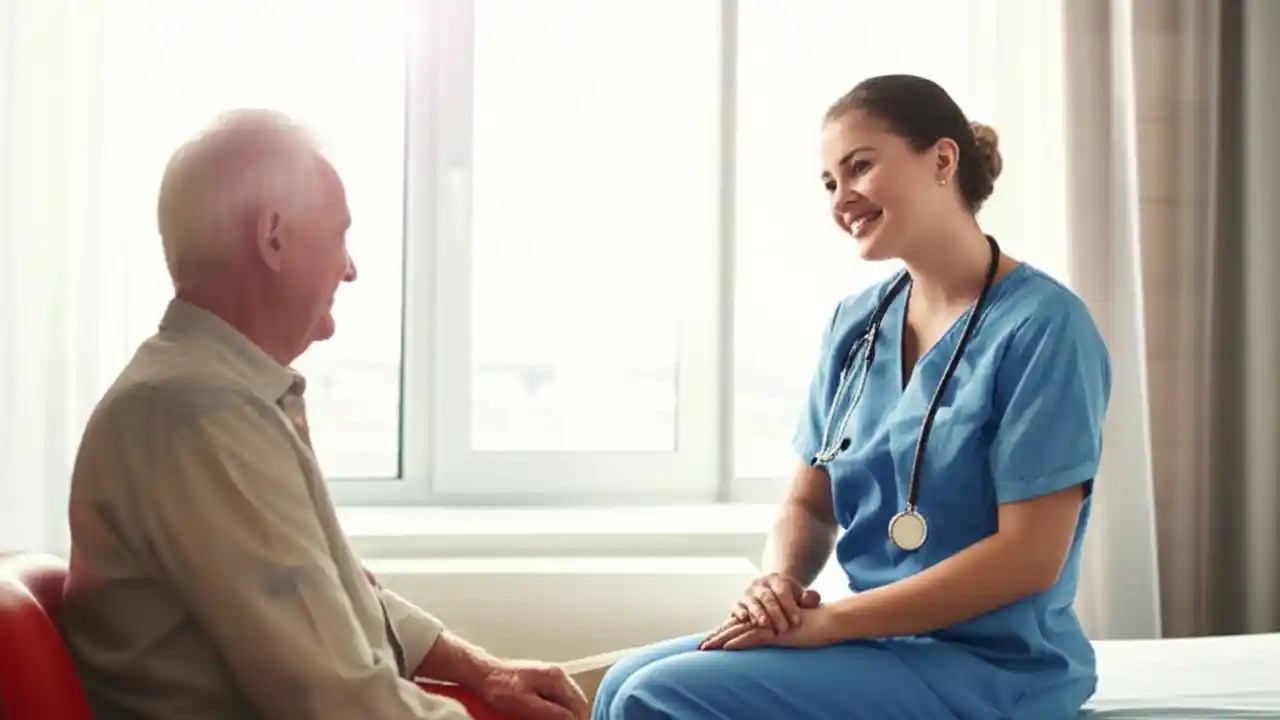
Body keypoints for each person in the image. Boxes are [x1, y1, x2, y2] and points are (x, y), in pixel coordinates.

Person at [592, 74, 1111, 719]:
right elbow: (808, 506)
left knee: (654, 694)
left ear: (942, 160)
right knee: (623, 681)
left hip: (992, 667)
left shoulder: (1044, 326)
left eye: (859, 168)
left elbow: (1030, 558)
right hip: (878, 643)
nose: (842, 200)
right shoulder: (856, 323)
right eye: (829, 184)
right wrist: (780, 583)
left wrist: (832, 624)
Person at [62, 110, 589, 720]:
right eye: (340, 235)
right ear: (274, 237)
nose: (350, 267)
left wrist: (482, 671)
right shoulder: (200, 415)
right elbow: (339, 701)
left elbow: (332, 596)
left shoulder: (210, 392)